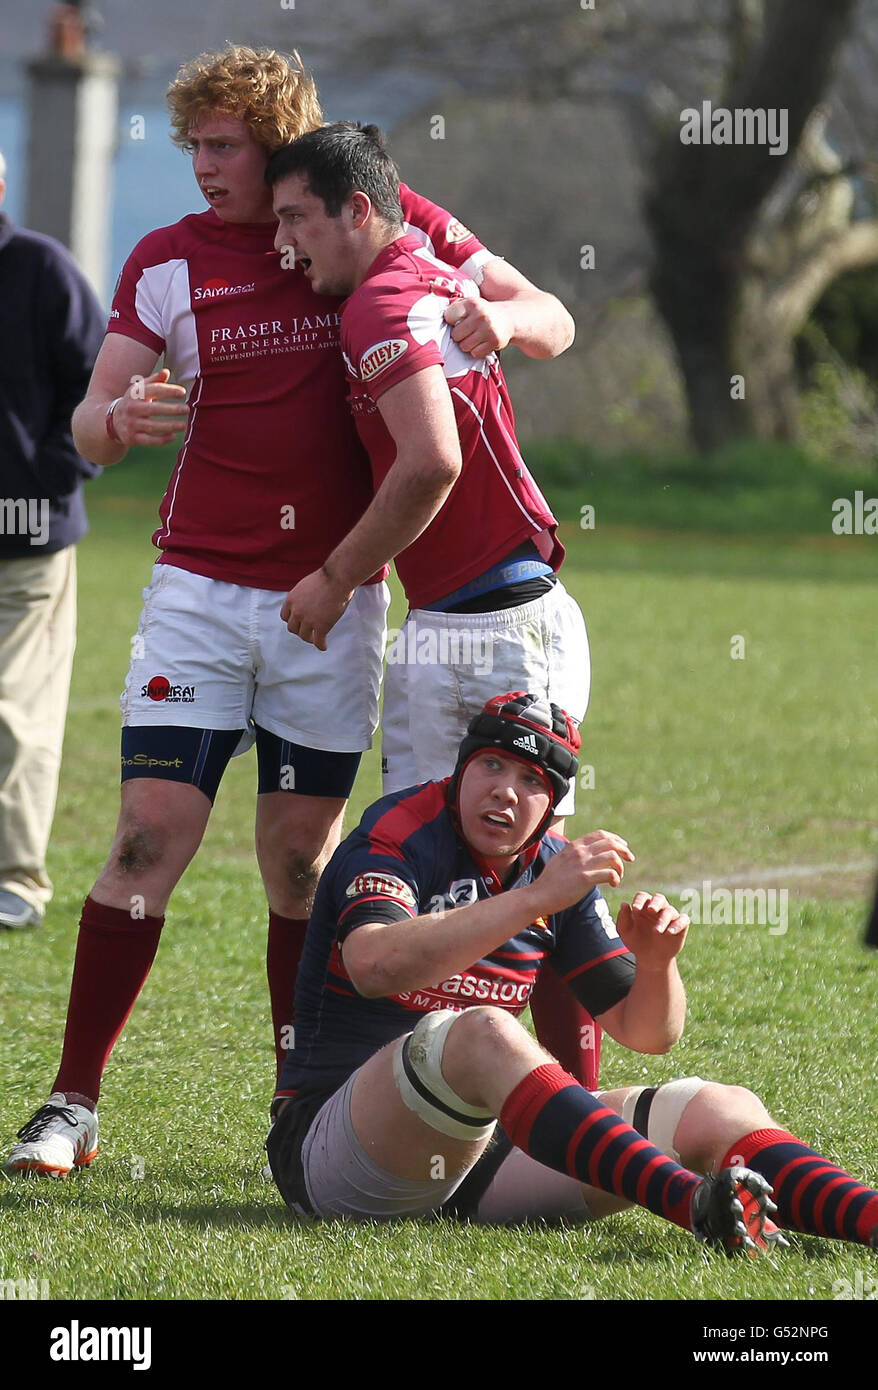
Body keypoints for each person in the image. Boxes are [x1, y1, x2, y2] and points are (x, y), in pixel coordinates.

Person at [4, 46, 575, 1177]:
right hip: (198, 598)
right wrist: (122, 419)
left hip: (335, 603)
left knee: (298, 864)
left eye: (224, 147)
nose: (204, 169)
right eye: (193, 146)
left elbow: (546, 310)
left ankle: (294, 1097)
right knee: (143, 839)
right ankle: (70, 1102)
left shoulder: (378, 217)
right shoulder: (166, 258)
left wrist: (500, 322)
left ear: (282, 151)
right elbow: (87, 421)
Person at [267, 693, 878, 1255]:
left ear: (553, 803)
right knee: (480, 1031)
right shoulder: (398, 831)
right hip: (336, 1154)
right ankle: (693, 1203)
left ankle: (869, 1219)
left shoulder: (554, 868)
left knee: (721, 1107)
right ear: (460, 771)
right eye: (491, 766)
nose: (504, 792)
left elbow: (649, 1034)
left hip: (474, 1162)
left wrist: (658, 964)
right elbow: (374, 965)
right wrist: (535, 900)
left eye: (531, 780)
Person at [267, 121, 599, 1088]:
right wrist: (507, 319)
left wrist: (333, 579)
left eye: (296, 219)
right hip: (475, 617)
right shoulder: (416, 246)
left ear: (358, 207)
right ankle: (454, 1091)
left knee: (514, 870)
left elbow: (434, 461)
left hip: (499, 622)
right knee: (461, 866)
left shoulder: (382, 293)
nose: (285, 244)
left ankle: (543, 1106)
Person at [0, 147, 105, 932]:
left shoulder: (42, 268)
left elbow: (103, 383)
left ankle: (15, 883)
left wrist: (49, 474)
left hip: (26, 539)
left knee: (13, 713)